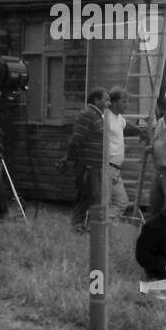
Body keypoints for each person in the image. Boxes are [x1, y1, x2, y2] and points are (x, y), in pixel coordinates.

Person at [62, 87, 109, 233]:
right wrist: (73, 160)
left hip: (95, 164)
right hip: (87, 164)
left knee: (92, 195)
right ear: (96, 100)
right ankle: (77, 225)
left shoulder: (98, 115)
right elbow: (76, 140)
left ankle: (86, 226)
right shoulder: (87, 114)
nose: (109, 103)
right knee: (87, 194)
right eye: (106, 99)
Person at [106, 87, 148, 218]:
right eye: (123, 101)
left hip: (115, 169)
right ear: (113, 102)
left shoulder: (118, 118)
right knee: (108, 202)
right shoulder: (105, 118)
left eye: (128, 101)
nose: (126, 105)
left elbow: (127, 125)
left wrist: (140, 131)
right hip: (106, 167)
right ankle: (101, 231)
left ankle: (107, 229)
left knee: (121, 202)